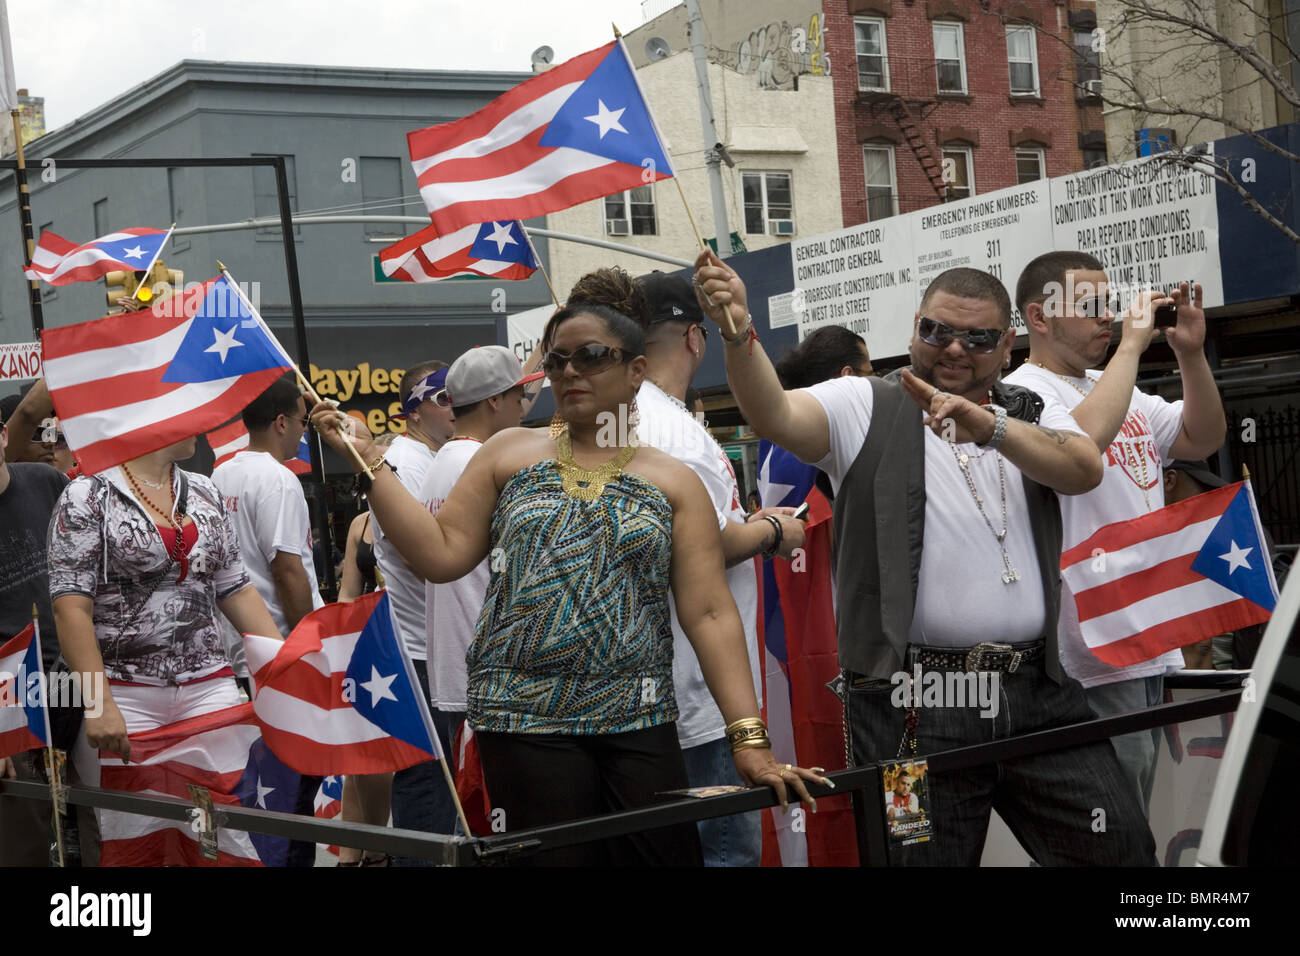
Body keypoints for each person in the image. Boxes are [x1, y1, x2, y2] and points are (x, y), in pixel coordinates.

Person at [310, 302, 827, 866]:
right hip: (521, 720)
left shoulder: (672, 479)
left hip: (641, 718)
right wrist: (366, 462)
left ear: (635, 371)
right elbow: (439, 553)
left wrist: (749, 740)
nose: (570, 371)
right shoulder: (508, 452)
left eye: (591, 356)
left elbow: (709, 613)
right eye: (557, 360)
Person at [694, 248, 1156, 865]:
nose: (954, 349)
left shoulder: (1024, 411)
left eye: (977, 337)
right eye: (936, 331)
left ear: (1008, 343)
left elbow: (1082, 464)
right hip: (913, 702)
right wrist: (738, 334)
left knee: (1121, 852)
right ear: (915, 326)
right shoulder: (864, 402)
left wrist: (990, 425)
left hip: (1036, 690)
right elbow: (772, 412)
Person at [1006, 252, 1225, 814]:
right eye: (1090, 307)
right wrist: (1131, 346)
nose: (1108, 317)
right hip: (1091, 643)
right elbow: (1077, 451)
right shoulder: (1021, 393)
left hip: (1147, 630)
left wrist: (1191, 357)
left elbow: (1201, 440)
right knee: (1107, 822)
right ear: (1039, 316)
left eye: (1110, 303)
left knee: (1132, 815)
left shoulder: (1115, 384)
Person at [602, 267, 805, 868]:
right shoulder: (672, 428)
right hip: (698, 690)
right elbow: (698, 546)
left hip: (650, 683)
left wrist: (745, 522)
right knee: (723, 853)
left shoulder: (626, 416)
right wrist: (772, 531)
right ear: (695, 338)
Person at [48, 435, 283, 867]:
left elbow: (236, 588)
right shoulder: (86, 495)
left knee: (226, 831)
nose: (199, 426)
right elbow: (70, 608)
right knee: (137, 839)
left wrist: (282, 667)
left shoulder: (206, 489)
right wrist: (99, 705)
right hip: (123, 694)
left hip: (209, 687)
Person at [418, 345, 539, 834]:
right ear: (494, 402)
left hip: (453, 673)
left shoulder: (441, 461)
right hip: (494, 680)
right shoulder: (489, 463)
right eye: (518, 397)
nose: (522, 408)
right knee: (508, 832)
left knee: (473, 825)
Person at [369, 360, 456, 860]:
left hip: (432, 646)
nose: (453, 410)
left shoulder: (428, 459)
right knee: (427, 783)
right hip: (421, 651)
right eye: (443, 399)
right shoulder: (406, 462)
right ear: (414, 409)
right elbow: (418, 553)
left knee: (440, 786)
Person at [0, 403, 86, 866]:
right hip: (12, 696)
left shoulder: (46, 483)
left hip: (76, 673)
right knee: (28, 830)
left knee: (100, 817)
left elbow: (84, 572)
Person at [212, 375, 323, 668]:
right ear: (282, 423)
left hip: (238, 642)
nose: (304, 429)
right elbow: (287, 570)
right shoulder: (279, 479)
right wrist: (305, 647)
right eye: (303, 420)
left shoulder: (220, 474)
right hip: (281, 646)